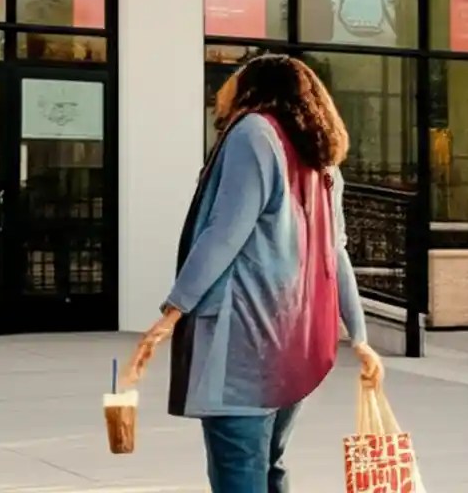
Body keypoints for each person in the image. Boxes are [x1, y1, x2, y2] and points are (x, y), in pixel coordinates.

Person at [121, 54, 382, 492]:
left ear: (253, 88)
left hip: (247, 341)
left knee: (240, 471)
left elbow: (225, 232)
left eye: (232, 80)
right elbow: (336, 252)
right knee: (269, 467)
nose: (222, 91)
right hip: (297, 342)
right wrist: (359, 338)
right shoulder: (318, 157)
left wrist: (172, 312)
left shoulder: (254, 133)